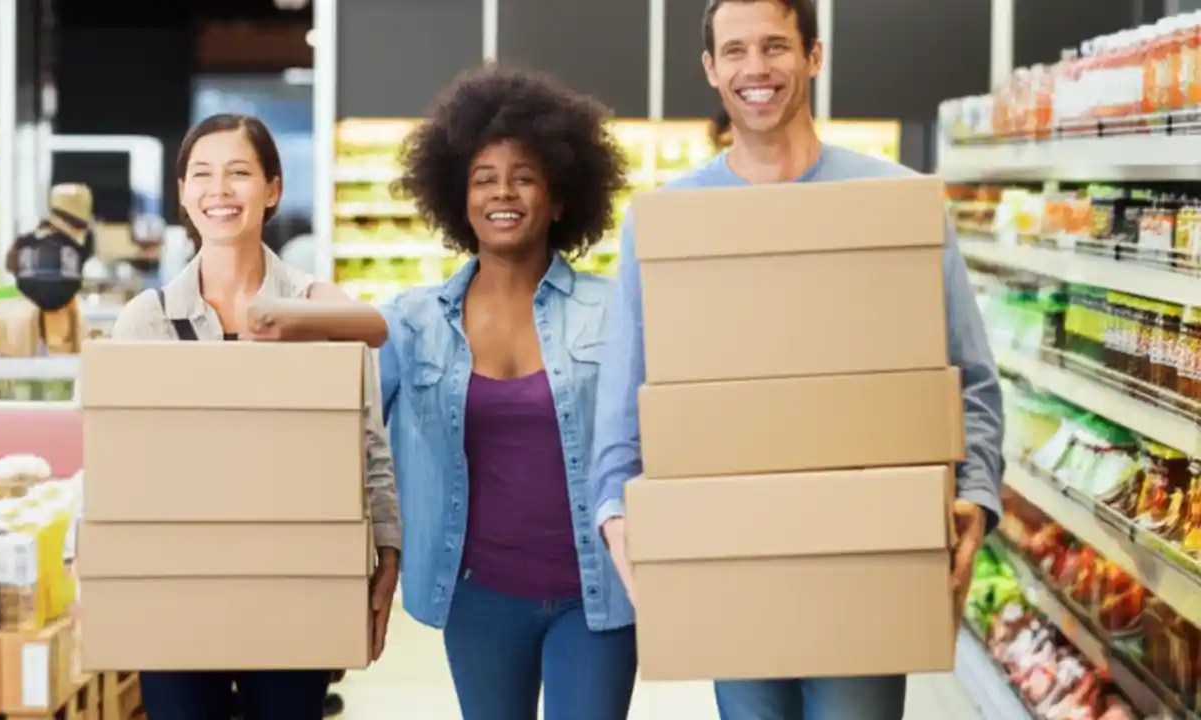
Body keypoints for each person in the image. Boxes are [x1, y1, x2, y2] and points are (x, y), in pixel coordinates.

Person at [590, 1, 1005, 719]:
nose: (757, 68)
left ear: (815, 55)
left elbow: (968, 373)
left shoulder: (893, 202)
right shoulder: (671, 220)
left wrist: (977, 493)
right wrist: (613, 507)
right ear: (710, 68)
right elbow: (628, 385)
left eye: (776, 46)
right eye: (737, 50)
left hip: (868, 549)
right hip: (731, 546)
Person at [108, 113, 402, 720]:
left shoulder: (316, 303)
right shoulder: (148, 319)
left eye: (239, 173)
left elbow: (368, 433)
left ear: (272, 189)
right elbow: (118, 468)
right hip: (177, 591)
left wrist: (386, 560)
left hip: (293, 580)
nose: (220, 190)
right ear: (183, 192)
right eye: (203, 175)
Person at [377, 66, 636, 720]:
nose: (504, 193)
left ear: (560, 197)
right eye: (484, 178)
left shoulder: (615, 312)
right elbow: (351, 434)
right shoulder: (415, 321)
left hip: (596, 593)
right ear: (458, 200)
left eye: (524, 176)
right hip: (478, 595)